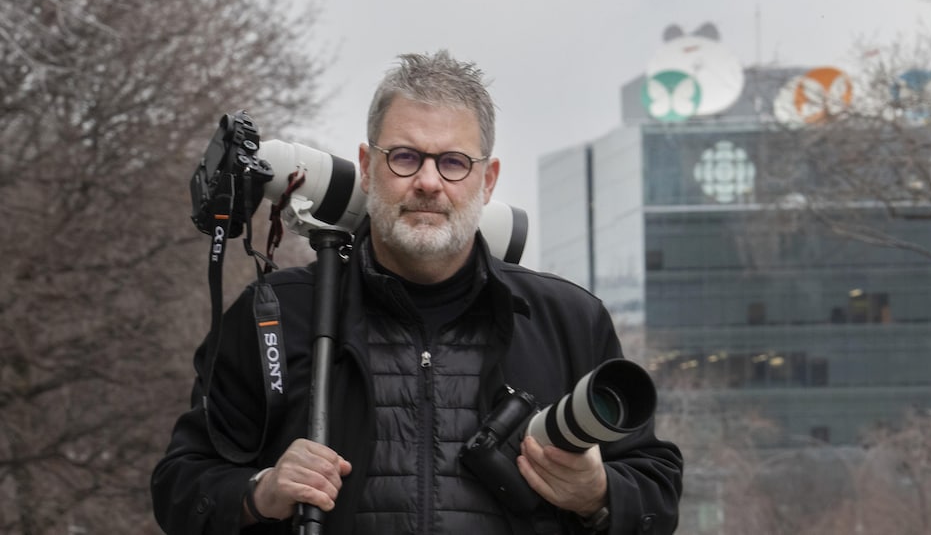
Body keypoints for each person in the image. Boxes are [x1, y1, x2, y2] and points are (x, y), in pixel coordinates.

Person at [151, 49, 683, 535]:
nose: (428, 182)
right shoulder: (276, 314)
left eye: (453, 162)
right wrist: (258, 493)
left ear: (488, 180)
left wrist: (599, 495)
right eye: (404, 157)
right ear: (367, 167)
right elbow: (180, 486)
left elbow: (657, 493)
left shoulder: (567, 320)